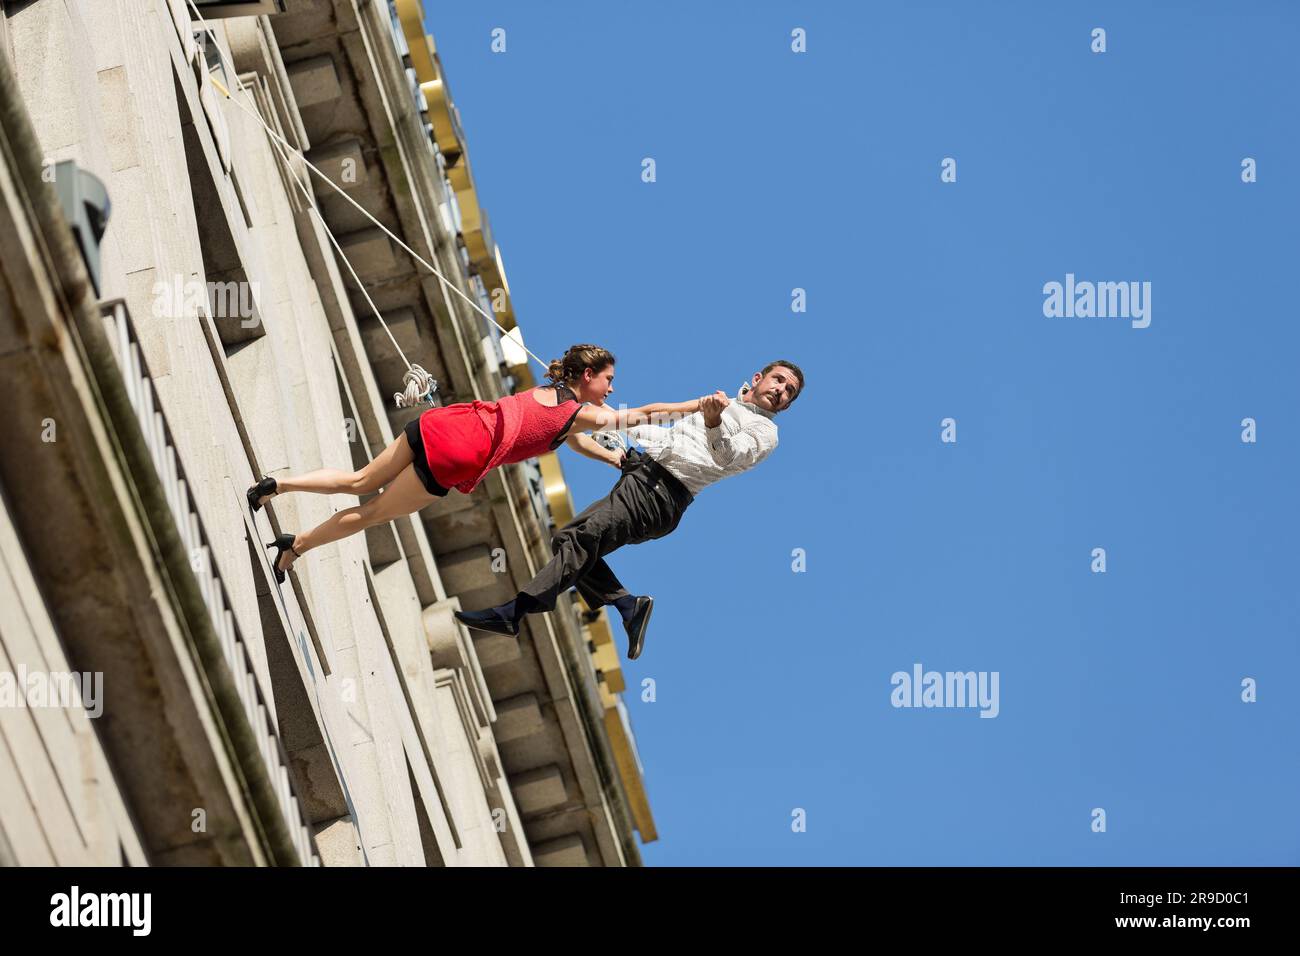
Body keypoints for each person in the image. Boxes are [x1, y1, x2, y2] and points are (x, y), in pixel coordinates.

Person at [246, 344, 701, 584]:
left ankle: (277, 485)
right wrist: (696, 406)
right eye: (608, 380)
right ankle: (296, 546)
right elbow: (642, 414)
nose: (611, 390)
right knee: (373, 513)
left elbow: (572, 440)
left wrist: (610, 457)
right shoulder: (582, 412)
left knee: (359, 479)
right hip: (458, 457)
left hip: (448, 423)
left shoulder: (550, 395)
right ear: (588, 376)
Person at [455, 360, 805, 660]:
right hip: (643, 477)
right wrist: (599, 408)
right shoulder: (720, 402)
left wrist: (713, 422)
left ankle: (513, 612)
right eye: (778, 380)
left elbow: (727, 456)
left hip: (662, 493)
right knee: (567, 539)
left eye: (789, 391)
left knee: (584, 538)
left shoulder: (764, 431)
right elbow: (662, 436)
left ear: (787, 405)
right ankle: (628, 605)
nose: (781, 390)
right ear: (758, 378)